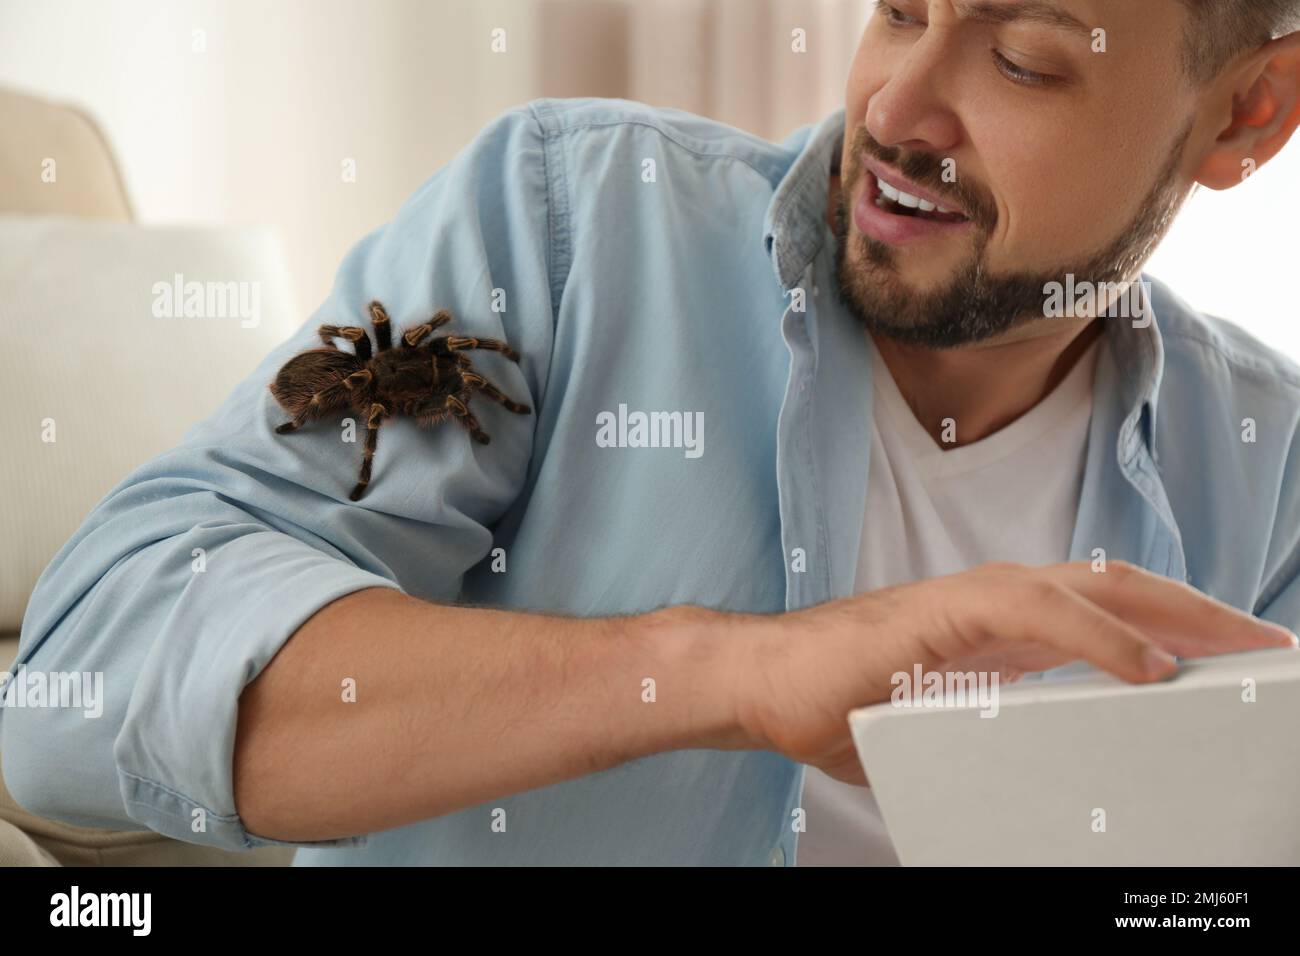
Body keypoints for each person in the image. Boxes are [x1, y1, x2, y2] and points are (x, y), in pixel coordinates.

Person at [4, 0, 1299, 866]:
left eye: (1022, 59)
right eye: (900, 7)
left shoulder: (1265, 463)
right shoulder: (570, 229)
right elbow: (90, 673)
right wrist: (731, 676)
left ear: (1246, 114)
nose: (896, 111)